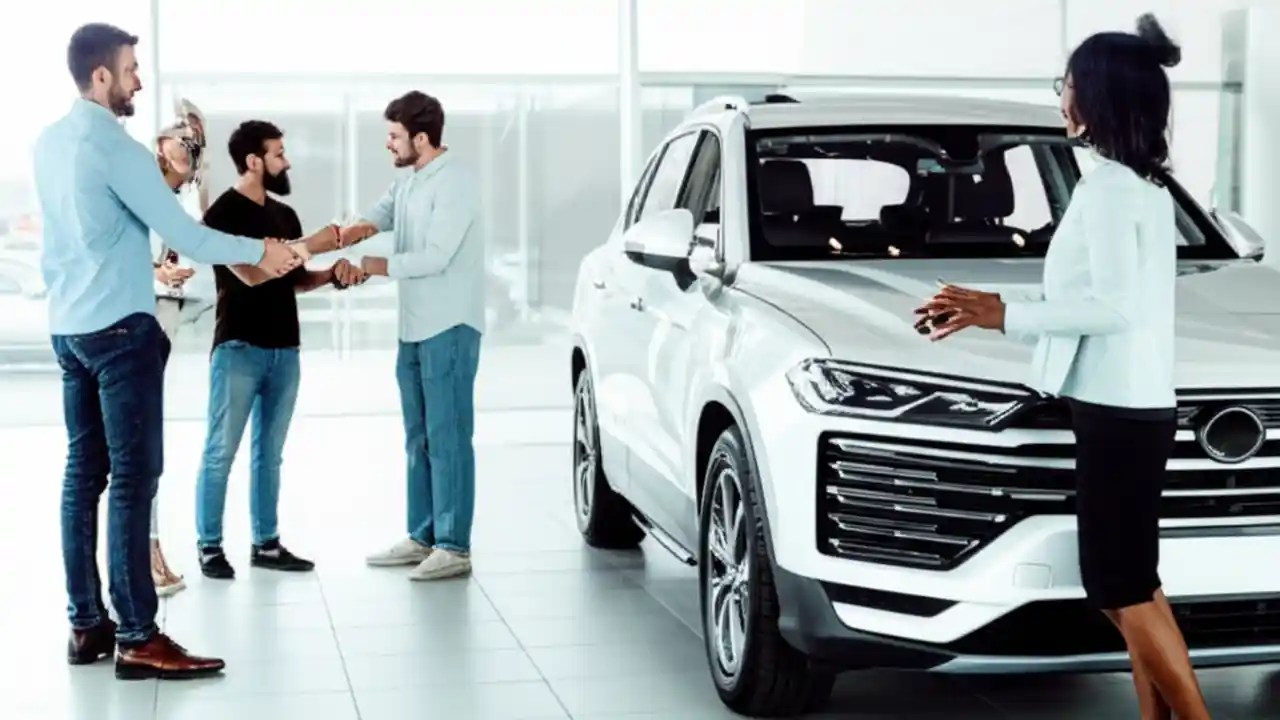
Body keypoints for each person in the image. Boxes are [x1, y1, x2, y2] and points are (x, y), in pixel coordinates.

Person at [914, 14, 1210, 720]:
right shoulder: (1141, 185)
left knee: (1117, 585)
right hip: (1134, 406)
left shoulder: (1108, 189)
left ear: (1096, 98)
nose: (1061, 96)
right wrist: (988, 305)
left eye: (1067, 84)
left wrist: (1000, 313)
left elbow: (1109, 308)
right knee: (1132, 581)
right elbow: (1085, 299)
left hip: (1118, 411)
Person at [36, 23, 302, 680]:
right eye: (130, 69)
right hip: (122, 336)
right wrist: (259, 250)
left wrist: (170, 184)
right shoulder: (118, 149)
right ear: (102, 76)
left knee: (82, 479)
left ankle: (87, 625)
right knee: (132, 481)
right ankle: (139, 635)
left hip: (69, 331)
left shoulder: (46, 145)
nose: (138, 81)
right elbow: (186, 232)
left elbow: (105, 228)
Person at [194, 120, 352, 579]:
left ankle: (266, 544)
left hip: (286, 349)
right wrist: (316, 244)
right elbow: (251, 273)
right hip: (239, 347)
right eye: (279, 153)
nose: (287, 161)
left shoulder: (285, 216)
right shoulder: (223, 214)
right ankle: (209, 546)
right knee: (221, 451)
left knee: (270, 453)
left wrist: (331, 275)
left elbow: (294, 279)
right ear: (253, 161)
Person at [337, 91, 484, 581]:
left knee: (449, 437)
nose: (389, 144)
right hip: (414, 330)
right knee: (418, 437)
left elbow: (437, 255)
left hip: (449, 326)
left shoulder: (457, 181)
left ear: (421, 138)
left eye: (395, 136)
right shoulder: (409, 180)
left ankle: (454, 545)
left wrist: (375, 266)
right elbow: (375, 216)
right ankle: (422, 535)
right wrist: (343, 234)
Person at [147, 120, 204, 597]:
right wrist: (159, 273)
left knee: (145, 449)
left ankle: (150, 553)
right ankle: (145, 557)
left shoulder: (172, 203)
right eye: (181, 144)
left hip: (161, 324)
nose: (188, 153)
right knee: (135, 454)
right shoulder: (143, 196)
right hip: (136, 329)